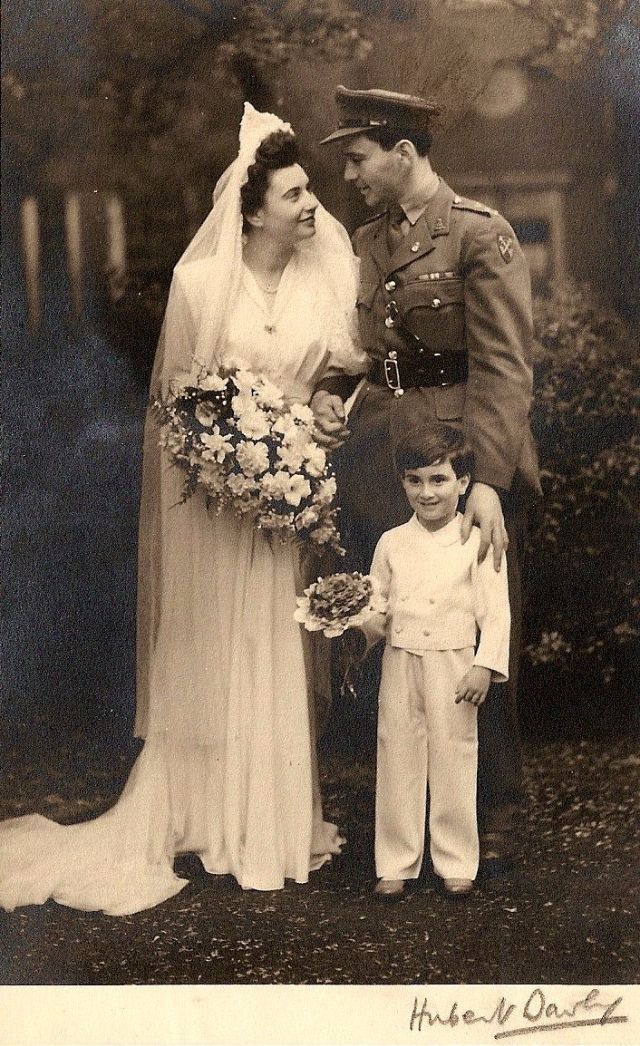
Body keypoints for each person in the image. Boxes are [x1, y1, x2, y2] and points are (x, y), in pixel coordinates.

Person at [0, 104, 367, 916]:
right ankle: (207, 818)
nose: (312, 206)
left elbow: (342, 374)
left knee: (274, 641)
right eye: (295, 194)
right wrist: (235, 463)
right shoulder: (201, 286)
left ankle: (269, 821)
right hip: (217, 507)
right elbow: (178, 401)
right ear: (253, 206)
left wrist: (322, 416)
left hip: (287, 502)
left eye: (310, 190)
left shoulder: (329, 275)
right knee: (217, 648)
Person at [312, 86, 541, 863]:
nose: (350, 175)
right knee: (406, 630)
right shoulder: (370, 242)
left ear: (402, 153)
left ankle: (499, 810)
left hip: (466, 462)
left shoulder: (479, 233)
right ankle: (410, 814)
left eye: (358, 158)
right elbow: (367, 356)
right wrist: (332, 398)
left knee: (479, 624)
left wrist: (490, 483)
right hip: (389, 460)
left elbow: (506, 367)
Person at [355, 425, 510, 900]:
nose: (427, 492)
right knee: (397, 753)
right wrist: (358, 621)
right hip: (401, 661)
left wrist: (484, 665)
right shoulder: (391, 542)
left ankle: (456, 860)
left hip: (455, 663)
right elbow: (376, 600)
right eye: (415, 480)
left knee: (455, 756)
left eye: (439, 480)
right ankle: (396, 862)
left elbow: (495, 609)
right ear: (402, 482)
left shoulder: (475, 540)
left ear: (463, 483)